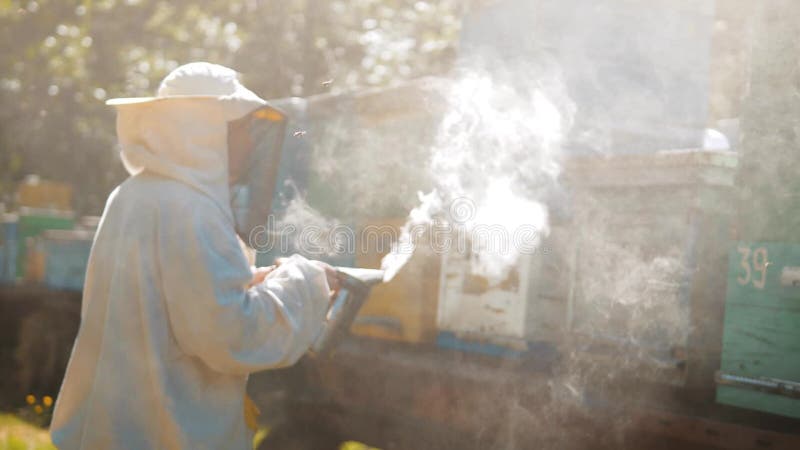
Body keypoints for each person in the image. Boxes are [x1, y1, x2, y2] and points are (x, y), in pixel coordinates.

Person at [50, 62, 338, 449]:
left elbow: (173, 301)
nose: (250, 144)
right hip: (163, 432)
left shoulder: (133, 195)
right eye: (239, 130)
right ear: (202, 131)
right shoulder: (191, 210)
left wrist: (254, 282)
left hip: (121, 427)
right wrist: (305, 281)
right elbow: (229, 334)